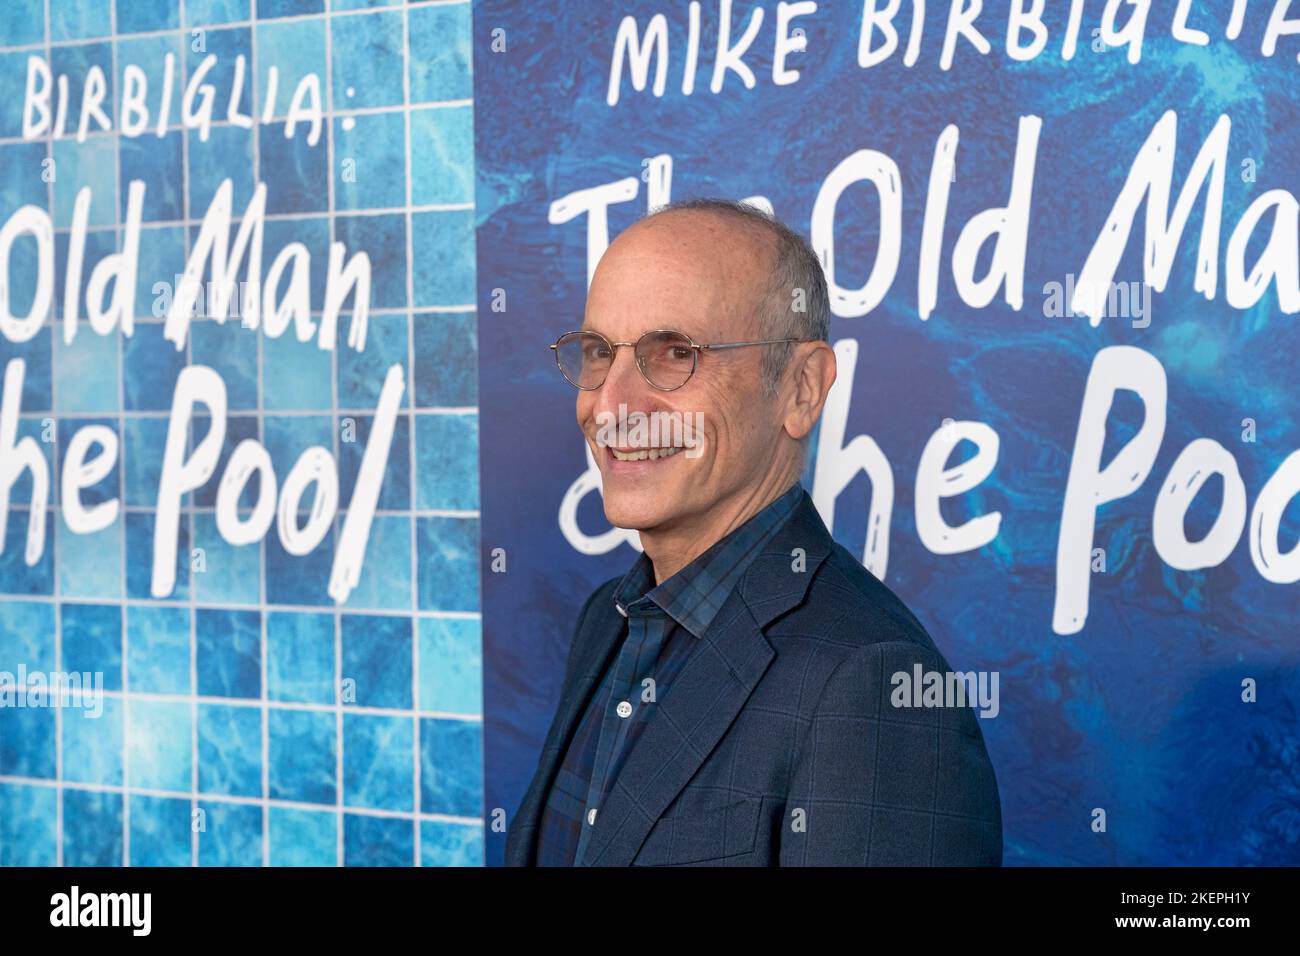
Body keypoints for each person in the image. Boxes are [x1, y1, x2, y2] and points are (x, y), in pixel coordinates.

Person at [505, 198, 1002, 866]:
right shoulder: (608, 620)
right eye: (598, 353)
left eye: (675, 353)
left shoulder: (874, 690)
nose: (613, 406)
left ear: (801, 389)